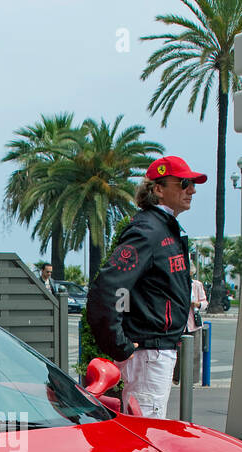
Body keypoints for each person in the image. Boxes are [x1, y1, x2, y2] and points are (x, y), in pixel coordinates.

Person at [85, 154, 206, 417]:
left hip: (154, 350)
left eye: (192, 184)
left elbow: (123, 290)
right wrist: (120, 343)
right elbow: (110, 288)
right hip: (150, 353)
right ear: (158, 189)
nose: (192, 190)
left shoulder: (162, 228)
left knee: (147, 435)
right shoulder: (149, 230)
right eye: (184, 183)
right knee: (146, 438)